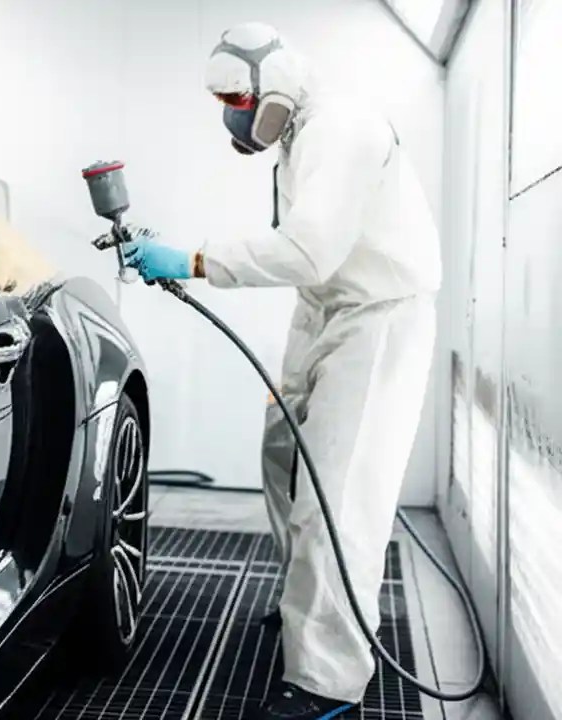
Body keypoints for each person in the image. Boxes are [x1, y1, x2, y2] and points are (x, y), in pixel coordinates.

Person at [116, 21, 442, 720]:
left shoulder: (342, 130)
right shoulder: (295, 140)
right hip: (323, 312)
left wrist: (194, 260)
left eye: (237, 97)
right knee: (282, 453)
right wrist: (292, 377)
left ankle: (327, 681)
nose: (233, 114)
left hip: (377, 319)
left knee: (338, 494)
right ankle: (307, 609)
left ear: (276, 87)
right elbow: (314, 271)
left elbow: (309, 250)